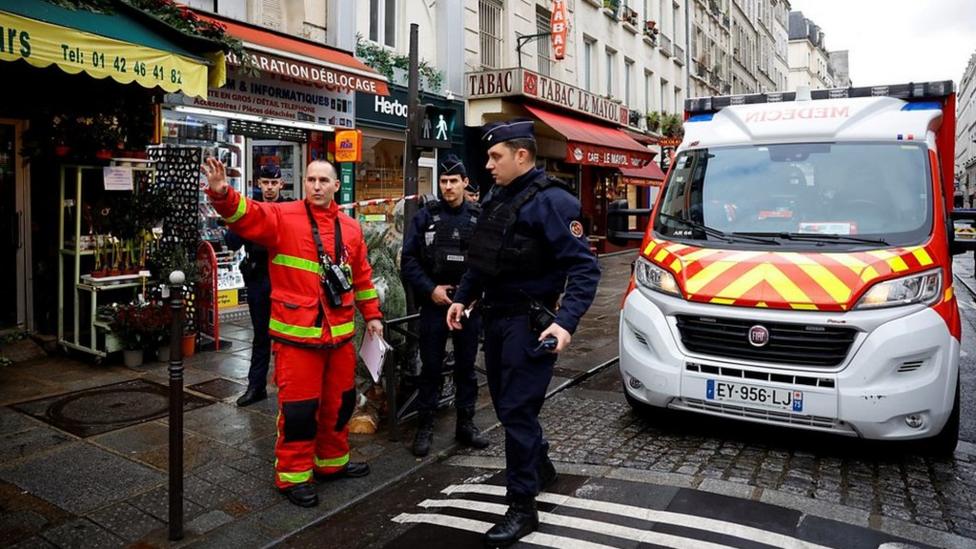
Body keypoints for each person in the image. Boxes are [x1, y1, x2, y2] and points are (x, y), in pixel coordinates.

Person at [447, 119, 601, 546]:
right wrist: (463, 296)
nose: (488, 165)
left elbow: (585, 268)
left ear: (522, 155)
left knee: (515, 412)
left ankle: (521, 507)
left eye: (496, 157)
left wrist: (565, 321)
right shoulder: (499, 195)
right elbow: (482, 259)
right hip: (495, 321)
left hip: (529, 326)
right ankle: (542, 465)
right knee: (507, 407)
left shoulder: (552, 202)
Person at [202, 158, 384, 508]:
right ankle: (293, 476)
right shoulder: (283, 217)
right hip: (297, 339)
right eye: (310, 179)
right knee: (299, 413)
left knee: (340, 406)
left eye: (323, 180)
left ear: (336, 186)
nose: (316, 186)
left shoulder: (351, 228)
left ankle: (331, 463)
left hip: (340, 338)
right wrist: (222, 192)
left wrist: (372, 316)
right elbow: (247, 215)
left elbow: (361, 276)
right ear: (304, 183)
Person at [401, 154, 489, 457]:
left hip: (468, 306)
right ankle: (425, 428)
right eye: (443, 181)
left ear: (465, 183)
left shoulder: (479, 217)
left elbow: (489, 262)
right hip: (435, 303)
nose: (448, 187)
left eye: (454, 181)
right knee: (431, 368)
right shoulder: (425, 216)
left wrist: (474, 295)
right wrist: (431, 289)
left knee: (466, 368)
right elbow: (408, 260)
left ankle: (466, 425)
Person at [225, 164, 292, 407]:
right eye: (266, 183)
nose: (270, 188)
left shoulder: (289, 208)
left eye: (274, 183)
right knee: (261, 335)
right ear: (259, 184)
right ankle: (256, 386)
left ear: (281, 185)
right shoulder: (250, 208)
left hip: (284, 278)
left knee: (288, 336)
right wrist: (247, 221)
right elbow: (231, 241)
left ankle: (290, 387)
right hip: (258, 278)